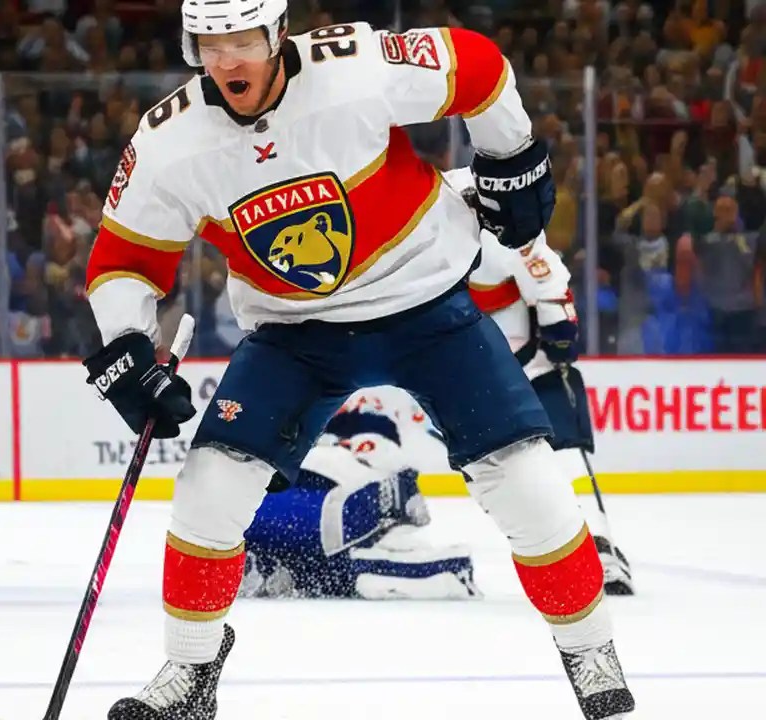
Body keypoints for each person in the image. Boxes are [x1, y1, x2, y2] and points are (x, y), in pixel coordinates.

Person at [77, 1, 634, 718]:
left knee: (526, 481)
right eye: (209, 44)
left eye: (242, 41)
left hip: (425, 303)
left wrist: (512, 156)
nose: (226, 61)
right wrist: (128, 346)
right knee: (209, 488)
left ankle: (589, 650)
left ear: (278, 33)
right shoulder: (169, 141)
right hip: (294, 331)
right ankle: (189, 670)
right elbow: (124, 258)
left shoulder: (355, 69)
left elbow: (478, 66)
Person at [447, 168, 636, 596]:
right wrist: (559, 335)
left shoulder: (495, 237)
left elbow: (551, 290)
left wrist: (558, 332)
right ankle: (574, 555)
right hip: (498, 374)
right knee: (516, 471)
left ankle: (589, 551)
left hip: (513, 373)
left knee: (551, 460)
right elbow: (554, 300)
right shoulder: (475, 234)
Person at [240, 390, 479, 602]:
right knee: (338, 572)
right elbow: (414, 513)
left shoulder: (312, 445)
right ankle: (453, 571)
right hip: (327, 520)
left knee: (288, 557)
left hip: (257, 509)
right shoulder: (387, 455)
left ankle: (264, 567)